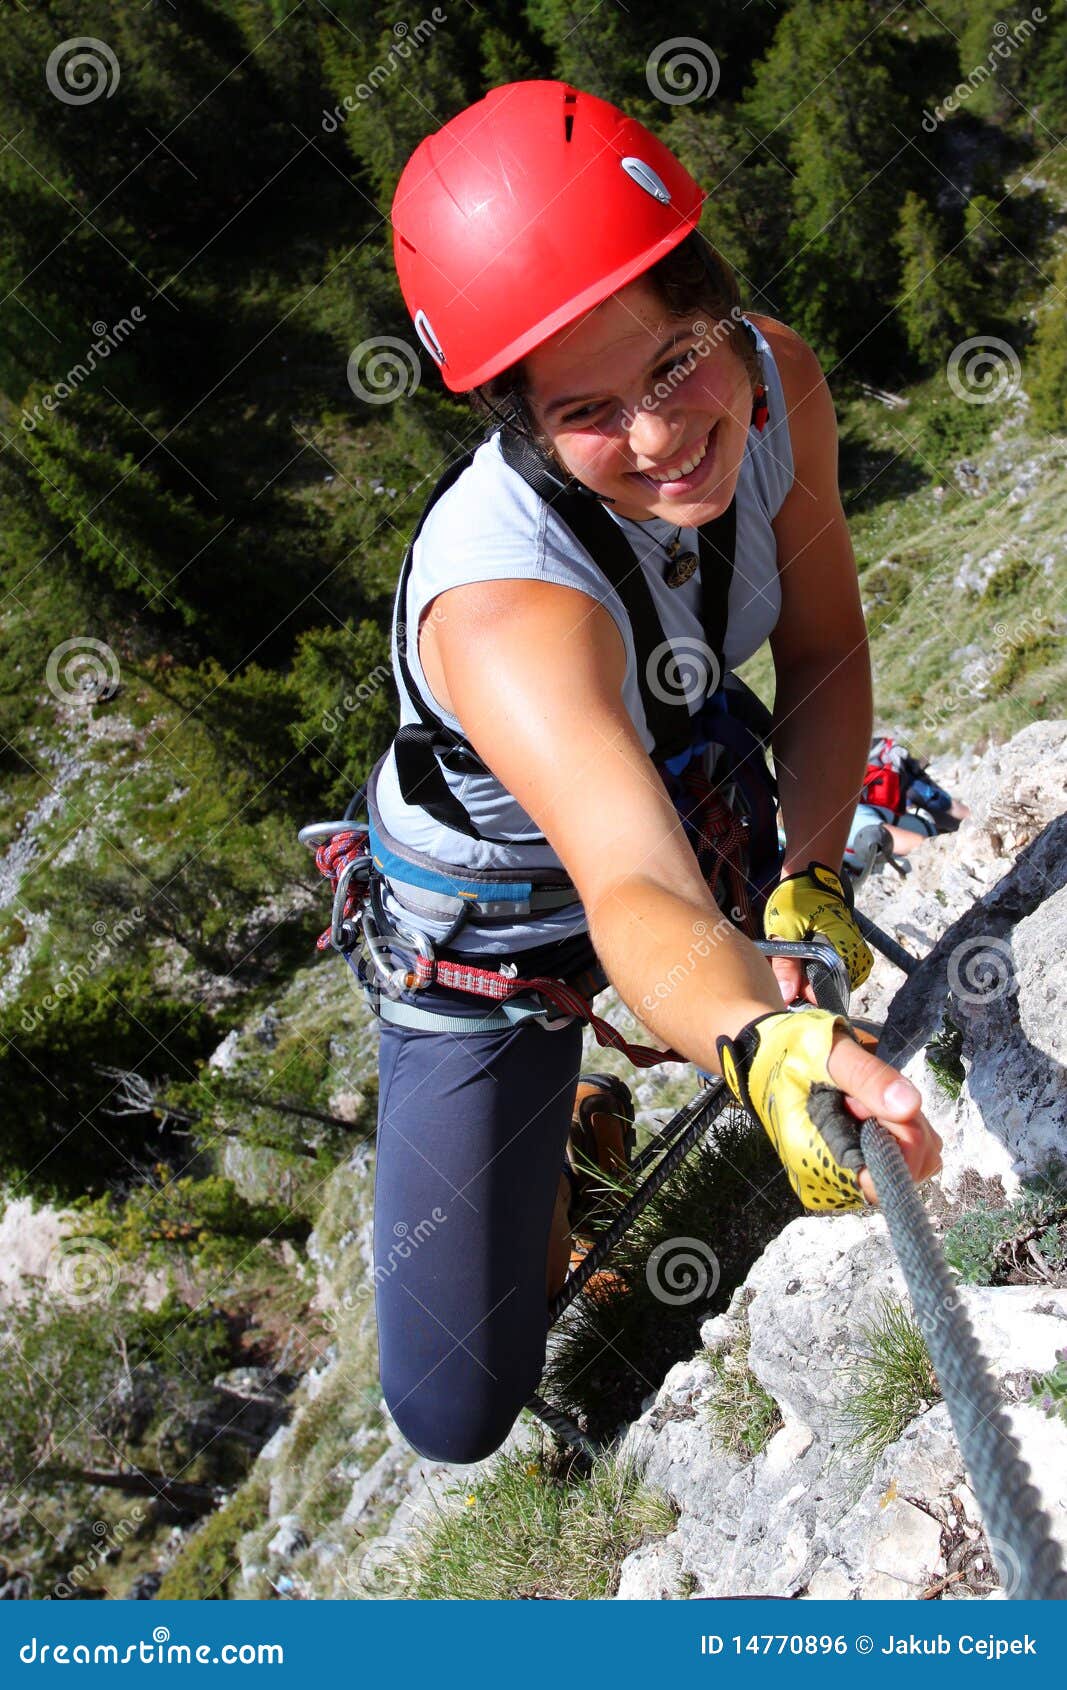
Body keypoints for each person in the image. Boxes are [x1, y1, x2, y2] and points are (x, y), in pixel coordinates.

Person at [356, 81, 941, 1465]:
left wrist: (806, 876)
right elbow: (622, 878)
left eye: (676, 360)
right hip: (496, 921)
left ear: (722, 310)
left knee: (765, 958)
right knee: (452, 1408)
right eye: (587, 409)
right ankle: (560, 1118)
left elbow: (820, 648)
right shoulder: (504, 601)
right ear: (518, 422)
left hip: (683, 786)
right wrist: (751, 1040)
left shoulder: (775, 380)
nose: (661, 433)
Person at [843, 734, 972, 881]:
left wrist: (962, 853)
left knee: (946, 808)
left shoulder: (849, 822)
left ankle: (979, 823)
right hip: (903, 813)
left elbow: (918, 844)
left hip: (894, 776)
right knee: (946, 813)